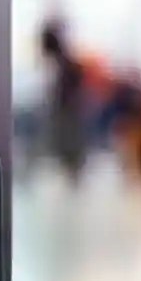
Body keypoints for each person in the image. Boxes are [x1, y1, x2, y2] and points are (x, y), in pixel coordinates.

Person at [39, 19, 89, 182]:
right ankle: (73, 171)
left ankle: (73, 171)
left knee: (68, 142)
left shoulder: (66, 65)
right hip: (68, 111)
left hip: (68, 111)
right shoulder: (64, 64)